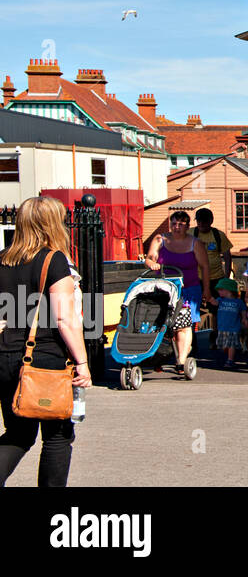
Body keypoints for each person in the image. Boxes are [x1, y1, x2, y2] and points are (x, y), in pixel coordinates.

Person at [0, 196, 92, 487]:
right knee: (58, 436)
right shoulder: (53, 260)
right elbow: (65, 319)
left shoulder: (2, 259)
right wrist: (82, 363)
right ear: (53, 224)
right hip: (45, 358)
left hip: (5, 355)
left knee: (18, 434)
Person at [144, 211, 209, 372]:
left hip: (188, 289)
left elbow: (204, 267)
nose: (176, 227)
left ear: (187, 226)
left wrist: (206, 289)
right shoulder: (160, 239)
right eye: (174, 223)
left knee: (184, 325)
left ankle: (181, 361)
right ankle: (159, 355)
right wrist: (151, 263)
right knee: (162, 324)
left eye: (181, 224)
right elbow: (150, 257)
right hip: (165, 289)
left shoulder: (195, 243)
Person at [193, 208, 234, 293]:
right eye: (198, 221)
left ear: (211, 221)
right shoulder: (190, 233)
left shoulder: (219, 235)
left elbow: (227, 258)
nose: (200, 223)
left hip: (216, 278)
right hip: (196, 278)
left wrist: (226, 278)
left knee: (216, 304)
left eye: (204, 221)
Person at [212, 277, 246, 368]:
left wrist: (244, 318)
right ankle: (231, 353)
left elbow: (243, 310)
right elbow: (214, 303)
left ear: (229, 290)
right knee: (223, 346)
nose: (219, 291)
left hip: (234, 327)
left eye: (221, 290)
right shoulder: (220, 300)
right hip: (222, 326)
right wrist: (209, 298)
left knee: (231, 344)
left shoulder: (238, 302)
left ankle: (230, 360)